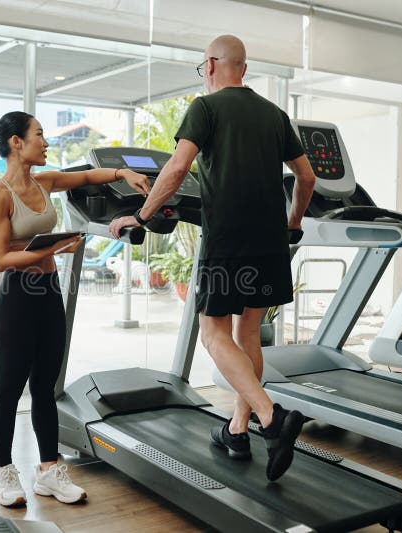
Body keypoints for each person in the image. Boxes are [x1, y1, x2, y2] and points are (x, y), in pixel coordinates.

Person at [109, 35, 316, 481]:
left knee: (213, 333)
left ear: (210, 66)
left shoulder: (206, 108)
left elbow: (179, 167)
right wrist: (293, 221)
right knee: (249, 336)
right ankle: (237, 431)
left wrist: (140, 216)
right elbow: (306, 175)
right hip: (269, 240)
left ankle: (271, 418)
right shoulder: (274, 114)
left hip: (230, 240)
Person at [0, 111, 151, 506]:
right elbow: (0, 260)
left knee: (45, 388)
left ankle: (47, 471)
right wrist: (53, 247)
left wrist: (122, 174)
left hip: (48, 294)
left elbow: (87, 177)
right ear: (16, 143)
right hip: (16, 300)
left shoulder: (43, 182)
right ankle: (5, 474)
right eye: (38, 135)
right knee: (9, 391)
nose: (45, 142)